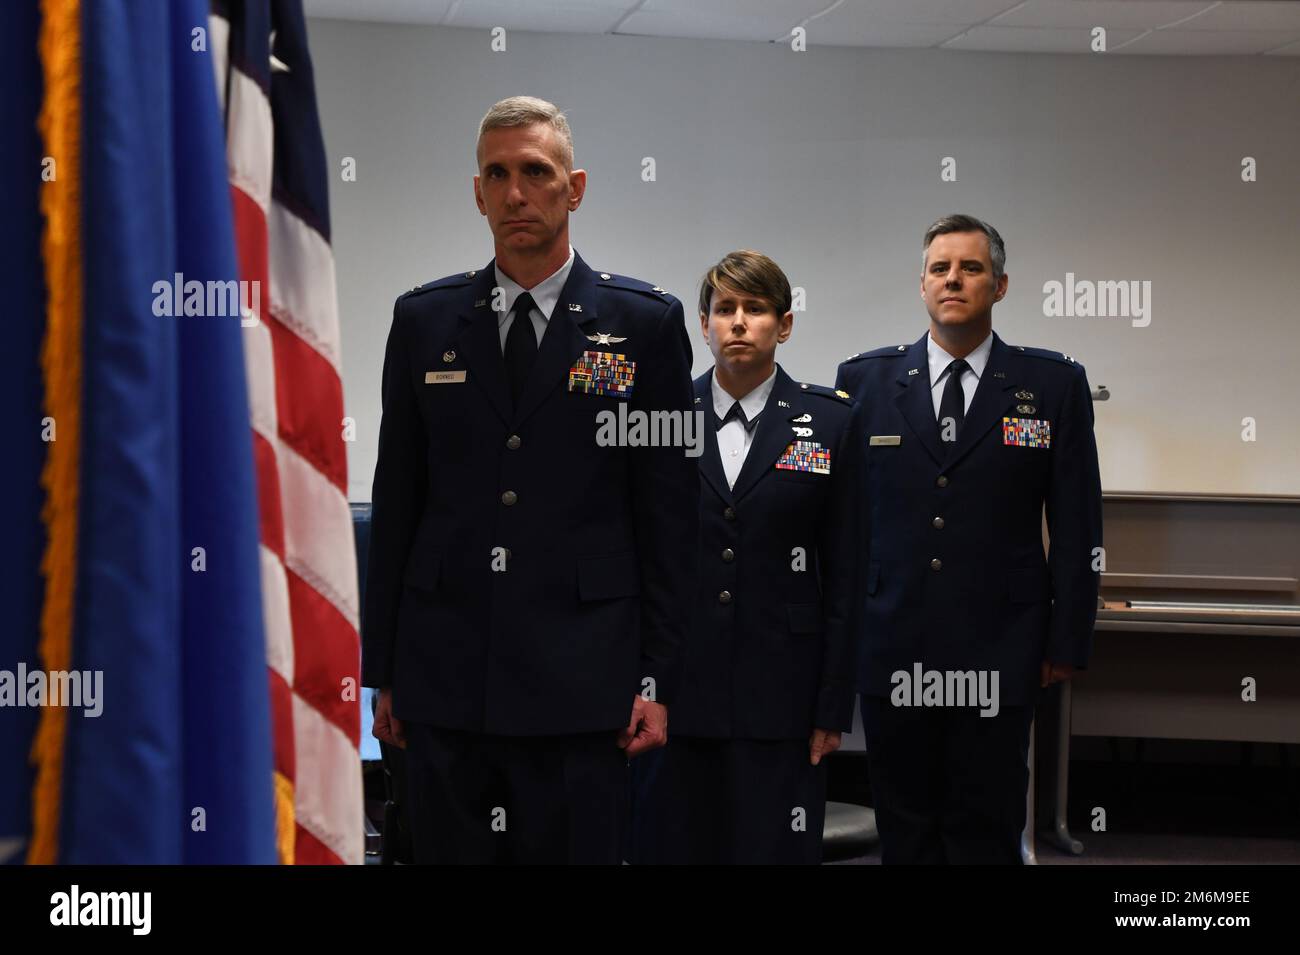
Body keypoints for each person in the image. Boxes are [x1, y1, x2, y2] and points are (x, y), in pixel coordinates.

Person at [363, 95, 698, 864]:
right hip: (449, 676)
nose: (517, 193)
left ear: (574, 187)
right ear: (476, 192)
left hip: (585, 683)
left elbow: (671, 519)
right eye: (498, 174)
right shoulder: (425, 321)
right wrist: (382, 671)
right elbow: (399, 498)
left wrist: (659, 678)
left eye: (537, 173)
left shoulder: (644, 323)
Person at [835, 214, 1103, 864]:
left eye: (971, 267)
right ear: (922, 284)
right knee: (905, 825)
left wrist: (1067, 638)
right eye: (939, 268)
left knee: (985, 822)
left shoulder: (1050, 385)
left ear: (1001, 284)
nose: (953, 278)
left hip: (1000, 645)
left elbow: (1076, 522)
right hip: (893, 638)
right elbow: (841, 524)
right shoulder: (865, 381)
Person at [630, 250, 857, 864]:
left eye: (754, 309)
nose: (737, 322)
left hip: (782, 699)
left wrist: (832, 706)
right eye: (723, 309)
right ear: (702, 324)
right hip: (673, 696)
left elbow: (845, 575)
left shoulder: (833, 422)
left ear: (783, 325)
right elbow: (636, 557)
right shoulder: (658, 418)